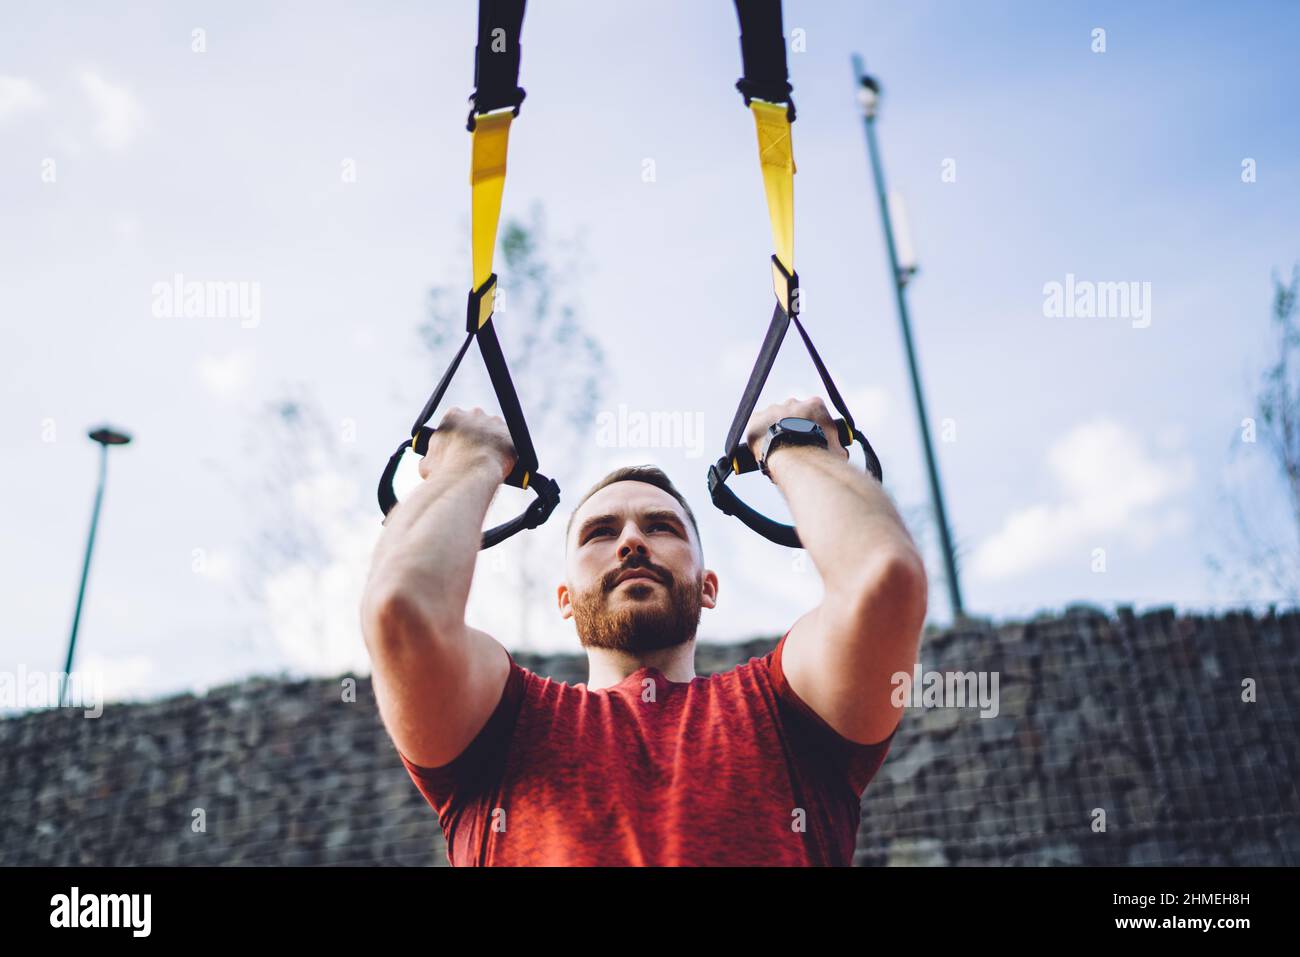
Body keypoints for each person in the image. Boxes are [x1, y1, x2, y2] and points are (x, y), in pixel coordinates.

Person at [361, 396, 927, 865]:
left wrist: (795, 446)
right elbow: (403, 611)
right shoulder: (504, 726)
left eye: (661, 527)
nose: (632, 541)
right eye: (600, 533)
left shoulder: (785, 711)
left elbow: (884, 580)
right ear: (565, 599)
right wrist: (473, 459)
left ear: (708, 586)